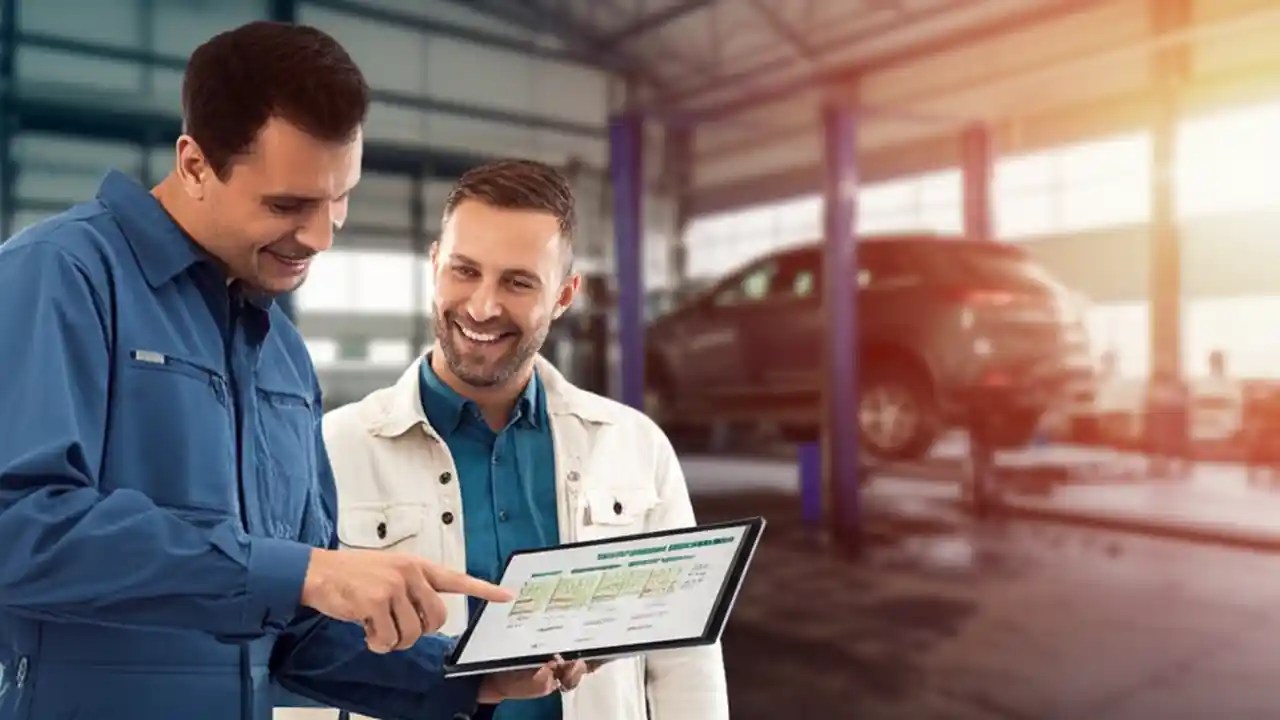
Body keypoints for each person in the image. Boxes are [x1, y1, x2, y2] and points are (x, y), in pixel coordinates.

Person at [0, 21, 583, 720]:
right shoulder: (61, 276)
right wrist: (306, 572)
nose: (320, 236)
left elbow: (294, 631)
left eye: (340, 199)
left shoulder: (279, 350)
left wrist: (471, 676)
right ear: (193, 164)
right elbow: (19, 529)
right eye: (287, 205)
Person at [321, 159, 731, 720]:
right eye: (464, 271)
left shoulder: (636, 447)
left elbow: (685, 660)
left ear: (563, 296)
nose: (483, 306)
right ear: (435, 263)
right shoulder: (335, 448)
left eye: (517, 282)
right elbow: (305, 660)